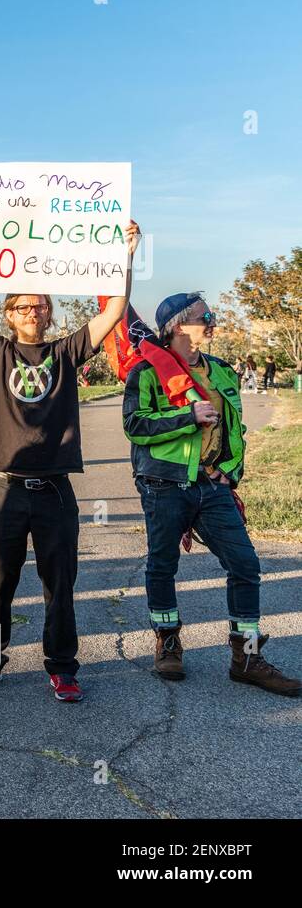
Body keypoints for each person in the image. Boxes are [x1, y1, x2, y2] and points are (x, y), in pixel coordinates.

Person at [0, 218, 141, 703]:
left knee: (59, 586)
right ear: (9, 314)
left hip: (54, 490)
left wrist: (127, 254)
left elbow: (114, 309)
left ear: (48, 314)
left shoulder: (66, 351)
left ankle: (63, 667)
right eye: (23, 305)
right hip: (3, 489)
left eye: (40, 305)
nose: (32, 311)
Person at [123, 293, 299, 695]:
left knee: (244, 563)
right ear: (177, 326)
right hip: (164, 484)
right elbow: (135, 425)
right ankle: (168, 642)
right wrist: (188, 416)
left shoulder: (221, 371)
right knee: (162, 565)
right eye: (206, 317)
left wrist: (231, 471)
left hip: (212, 486)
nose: (213, 322)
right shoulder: (147, 372)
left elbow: (237, 432)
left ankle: (247, 656)